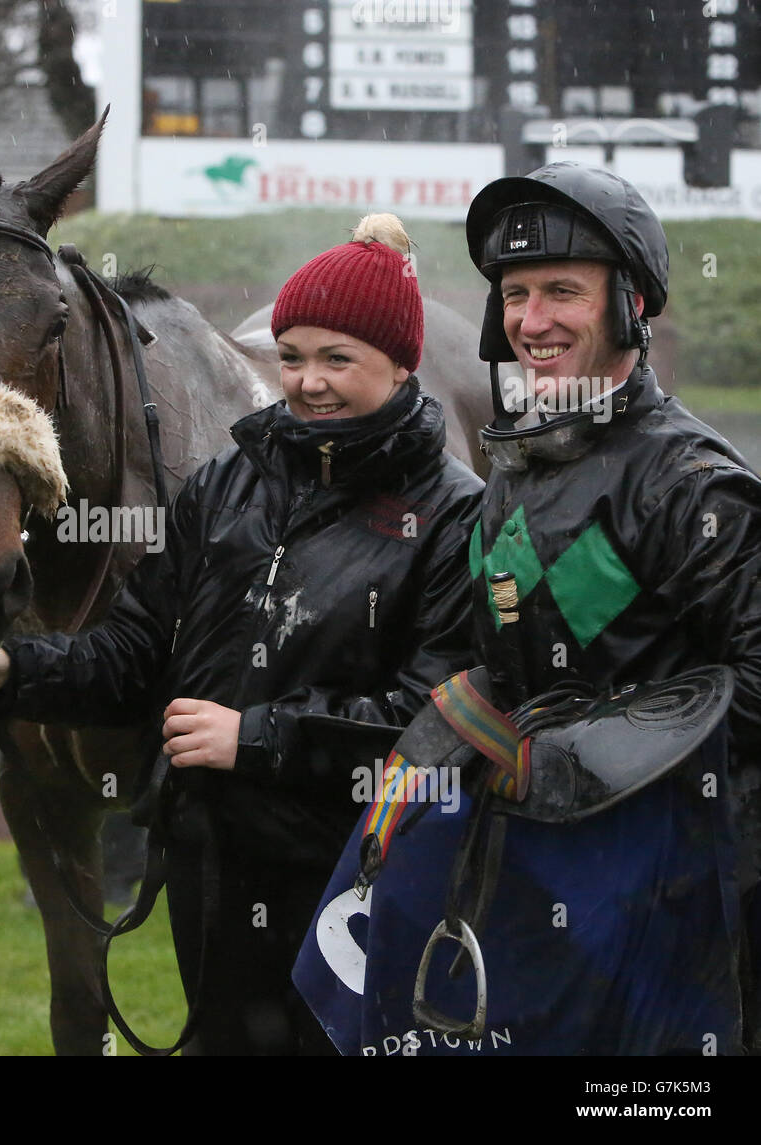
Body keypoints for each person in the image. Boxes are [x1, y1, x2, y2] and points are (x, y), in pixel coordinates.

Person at [0, 215, 484, 1055]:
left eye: (339, 359)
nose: (308, 383)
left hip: (361, 873)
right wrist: (10, 667)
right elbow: (131, 650)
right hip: (214, 870)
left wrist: (251, 739)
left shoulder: (455, 512)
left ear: (403, 366)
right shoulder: (226, 485)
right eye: (292, 357)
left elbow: (432, 718)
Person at [294, 162, 761, 1056]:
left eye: (562, 292)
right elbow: (512, 661)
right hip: (539, 881)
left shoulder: (694, 487)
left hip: (678, 917)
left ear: (629, 306)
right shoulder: (514, 471)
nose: (531, 321)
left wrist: (577, 762)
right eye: (514, 294)